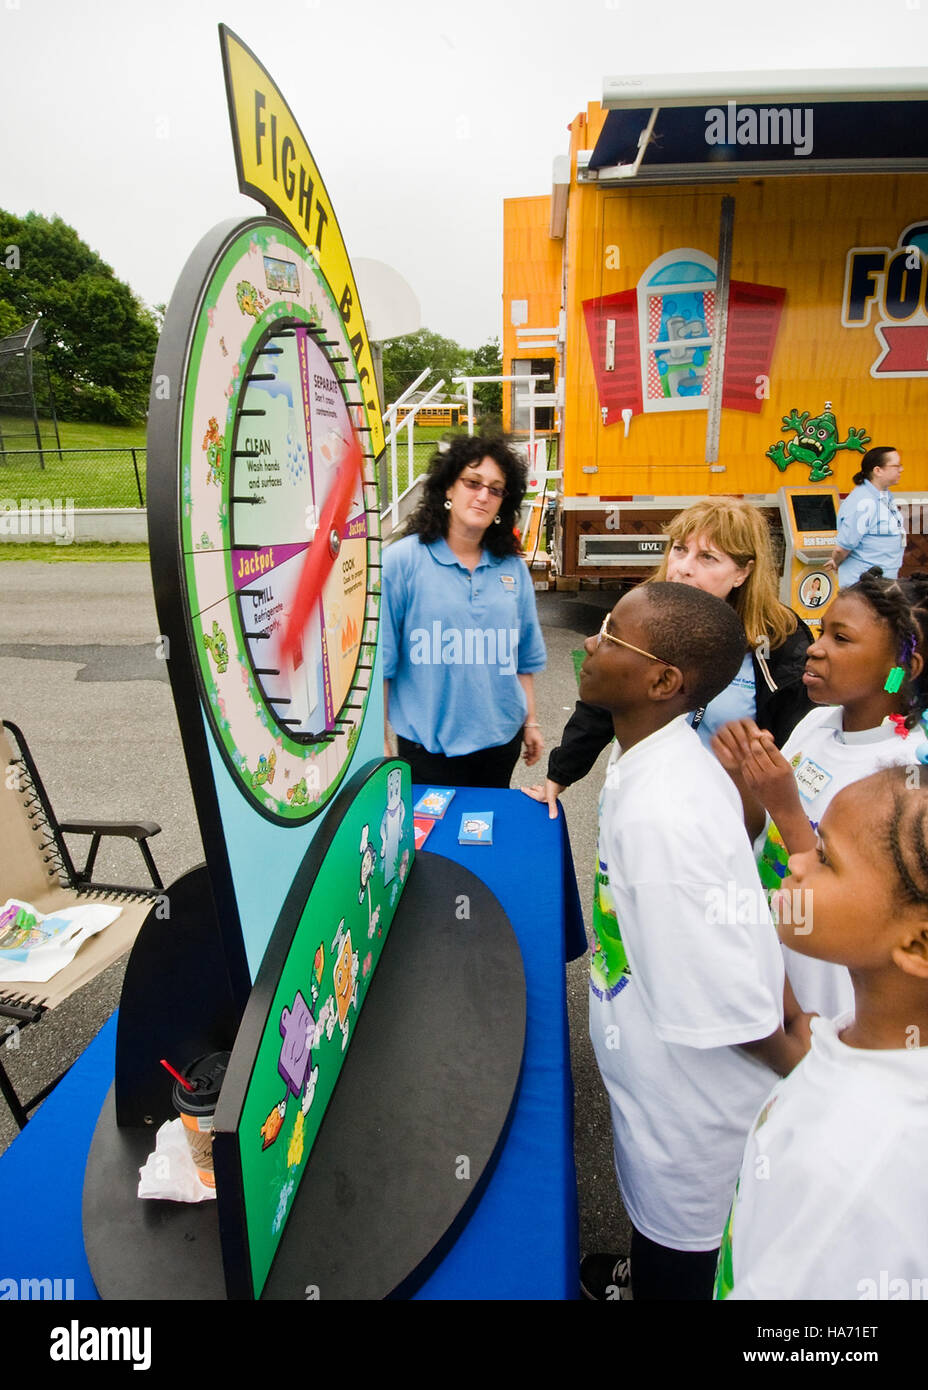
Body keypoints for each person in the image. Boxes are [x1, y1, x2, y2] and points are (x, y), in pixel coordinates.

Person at [579, 582, 812, 1302]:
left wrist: (805, 1077)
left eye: (611, 635)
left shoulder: (664, 819)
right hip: (663, 1096)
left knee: (683, 1261)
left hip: (693, 1127)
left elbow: (734, 1008)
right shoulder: (655, 757)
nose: (589, 643)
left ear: (663, 682)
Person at [715, 767, 928, 1300]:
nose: (797, 861)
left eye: (826, 859)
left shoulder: (847, 1172)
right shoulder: (868, 1046)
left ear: (918, 946)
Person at [712, 568, 928, 1020]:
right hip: (776, 958)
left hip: (831, 999)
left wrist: (787, 806)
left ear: (902, 669)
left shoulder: (905, 770)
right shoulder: (816, 723)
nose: (815, 647)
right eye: (822, 630)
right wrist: (742, 778)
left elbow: (860, 901)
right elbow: (763, 832)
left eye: (841, 638)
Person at [524, 497, 813, 817]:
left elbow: (799, 742)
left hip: (727, 816)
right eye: (679, 549)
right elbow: (601, 703)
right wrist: (560, 775)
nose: (683, 568)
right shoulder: (641, 617)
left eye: (707, 557)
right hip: (642, 801)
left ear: (742, 573)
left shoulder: (781, 638)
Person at [382, 435, 546, 788]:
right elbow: (382, 661)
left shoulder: (512, 568)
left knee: (486, 822)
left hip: (500, 742)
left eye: (496, 489)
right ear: (448, 488)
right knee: (430, 826)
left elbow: (523, 657)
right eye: (473, 483)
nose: (483, 496)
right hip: (427, 747)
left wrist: (530, 722)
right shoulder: (400, 562)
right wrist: (379, 738)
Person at [827, 446, 906, 588]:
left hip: (884, 583)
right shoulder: (862, 502)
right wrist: (836, 562)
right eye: (896, 466)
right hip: (864, 587)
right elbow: (842, 548)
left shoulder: (884, 496)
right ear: (878, 470)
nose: (901, 469)